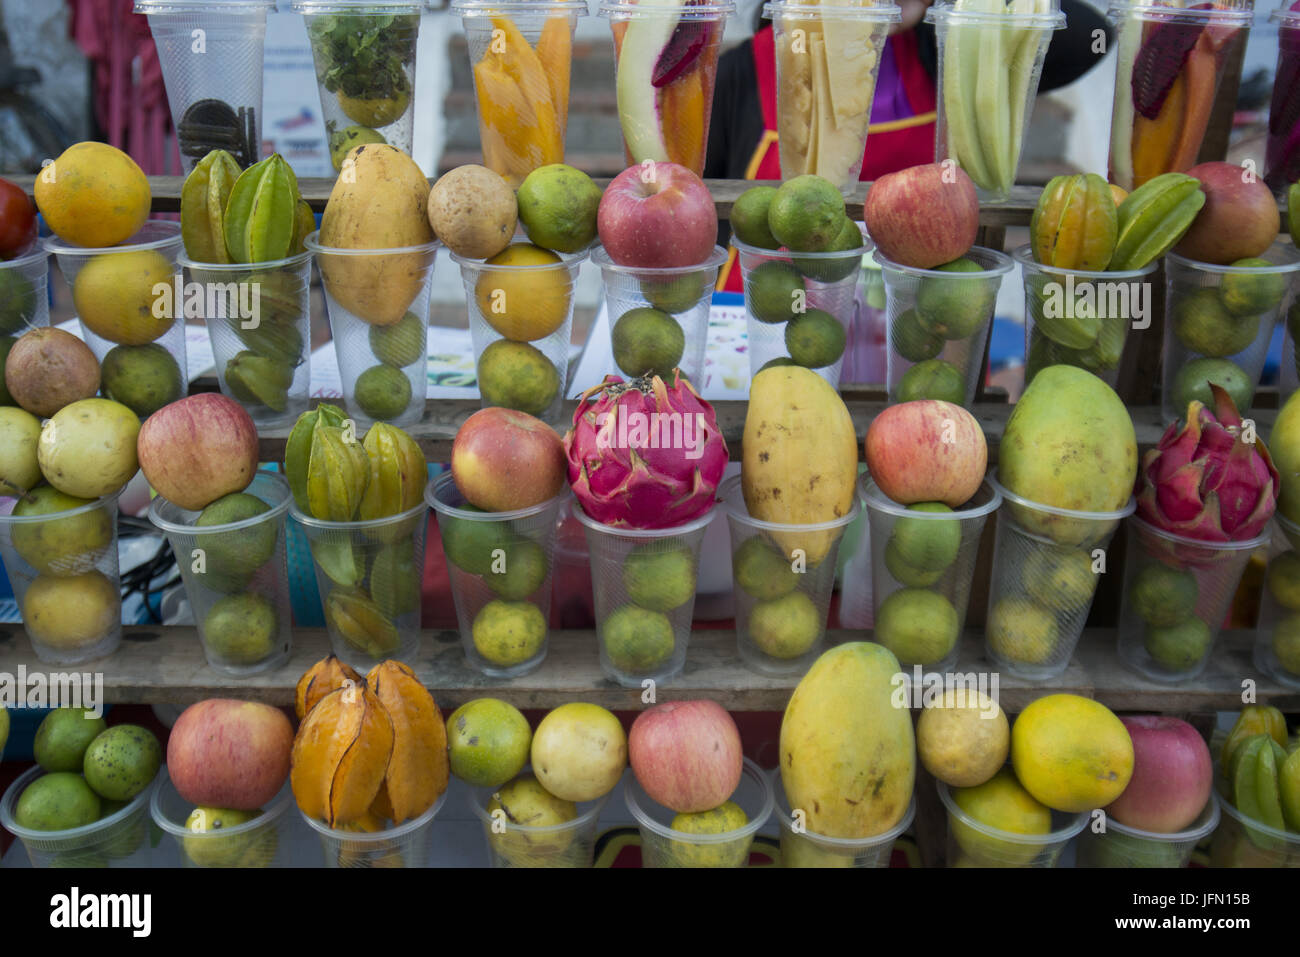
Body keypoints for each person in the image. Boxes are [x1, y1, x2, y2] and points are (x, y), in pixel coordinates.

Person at [709, 0, 1112, 288]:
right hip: (773, 310)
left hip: (926, 314)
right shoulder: (743, 73)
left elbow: (1091, 34)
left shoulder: (952, 51)